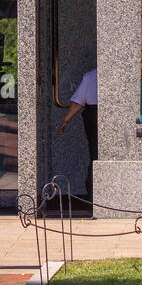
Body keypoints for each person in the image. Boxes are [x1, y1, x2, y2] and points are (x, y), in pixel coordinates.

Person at [58, 68, 97, 203]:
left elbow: (79, 101)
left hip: (93, 115)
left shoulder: (91, 75)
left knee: (95, 154)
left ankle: (93, 193)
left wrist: (66, 120)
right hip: (104, 115)